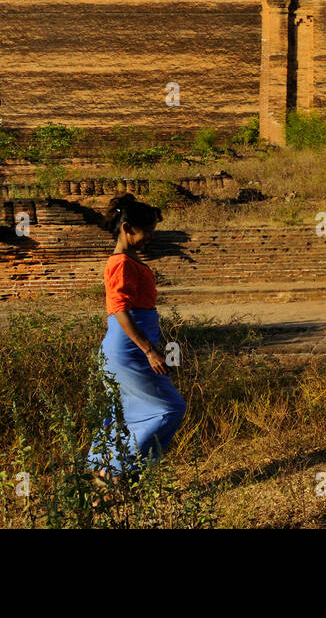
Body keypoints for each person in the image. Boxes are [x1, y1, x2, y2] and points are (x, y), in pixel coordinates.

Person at [87, 193, 186, 484]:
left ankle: (100, 471)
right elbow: (120, 309)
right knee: (169, 409)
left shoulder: (129, 261)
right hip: (129, 350)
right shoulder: (121, 263)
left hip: (126, 347)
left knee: (121, 412)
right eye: (147, 231)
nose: (150, 237)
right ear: (127, 228)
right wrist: (149, 351)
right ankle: (114, 472)